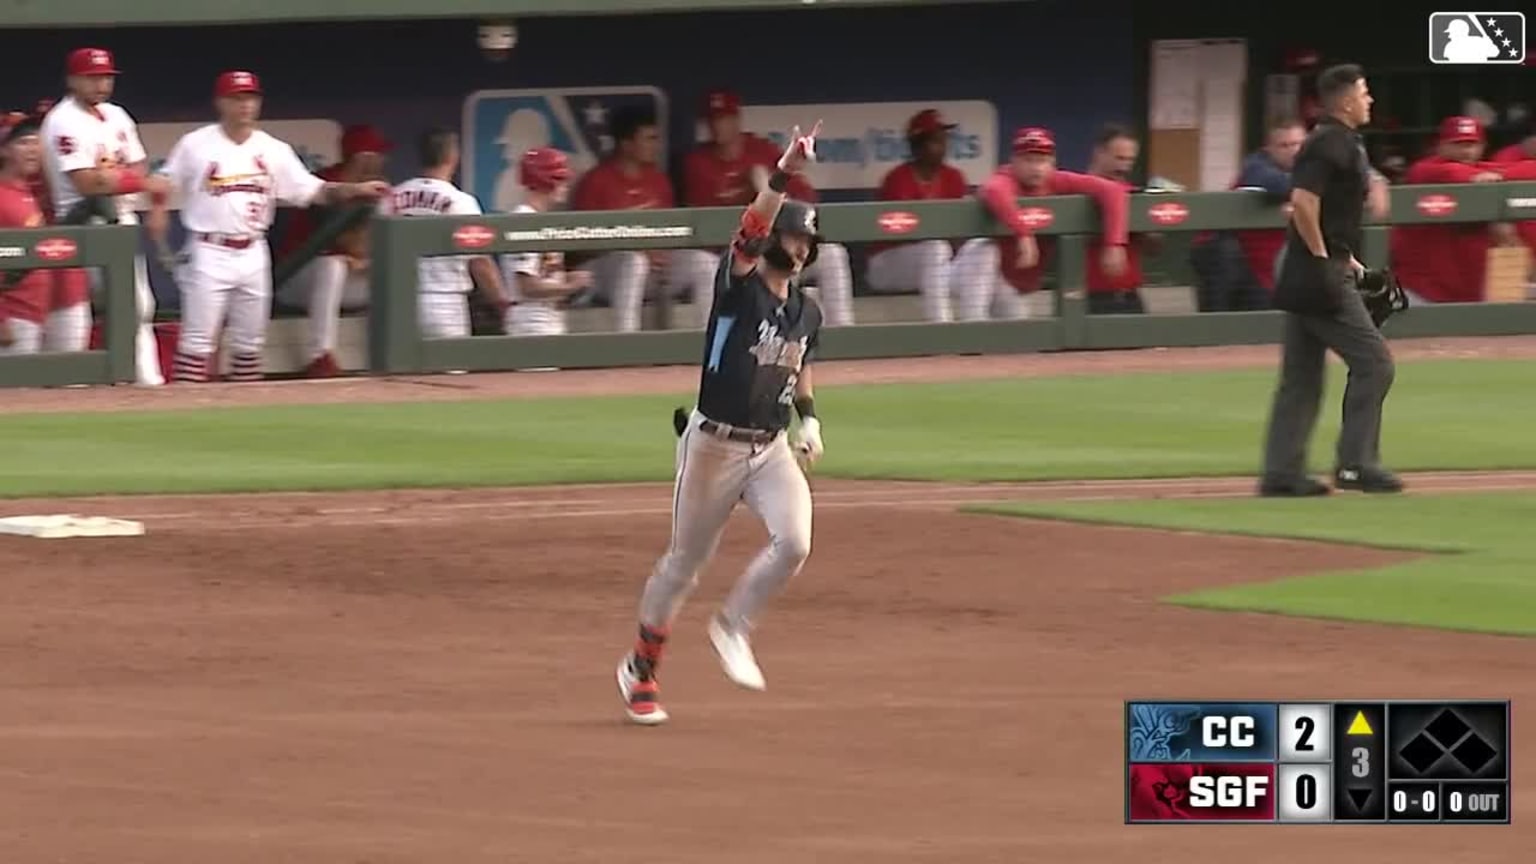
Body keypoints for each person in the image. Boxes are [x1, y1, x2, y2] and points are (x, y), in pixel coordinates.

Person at [616, 122, 826, 726]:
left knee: (796, 541)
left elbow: (801, 366)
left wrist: (808, 421)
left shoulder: (806, 310)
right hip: (712, 446)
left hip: (769, 450)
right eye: (793, 236)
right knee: (685, 563)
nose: (801, 247)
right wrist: (784, 169)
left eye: (808, 242)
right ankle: (641, 668)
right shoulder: (738, 287)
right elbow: (753, 223)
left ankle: (733, 625)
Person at [145, 71, 388, 383]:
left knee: (250, 346)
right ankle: (185, 412)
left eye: (250, 98)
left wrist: (355, 189)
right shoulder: (196, 144)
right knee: (197, 345)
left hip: (253, 250)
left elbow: (313, 190)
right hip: (209, 250)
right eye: (237, 98)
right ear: (221, 102)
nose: (245, 105)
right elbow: (164, 179)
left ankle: (244, 414)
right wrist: (158, 207)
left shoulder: (272, 149)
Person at [1260, 64, 1401, 496]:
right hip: (1317, 273)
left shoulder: (1340, 142)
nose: (1369, 100)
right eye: (1364, 92)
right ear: (1344, 101)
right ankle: (1356, 463)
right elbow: (1303, 202)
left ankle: (1282, 473)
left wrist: (1350, 261)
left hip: (1317, 267)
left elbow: (1329, 214)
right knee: (1375, 364)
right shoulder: (1328, 142)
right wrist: (1324, 258)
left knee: (1301, 376)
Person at [39, 47, 168, 385]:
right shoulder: (63, 119)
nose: (100, 84)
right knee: (86, 309)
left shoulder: (116, 115)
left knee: (138, 306)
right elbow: (87, 182)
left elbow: (137, 163)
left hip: (120, 220)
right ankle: (80, 386)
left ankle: (141, 381)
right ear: (72, 80)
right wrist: (133, 180)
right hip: (83, 224)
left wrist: (124, 178)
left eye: (106, 77)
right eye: (92, 77)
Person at [675, 90, 854, 328]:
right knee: (707, 266)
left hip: (778, 251)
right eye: (713, 120)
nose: (719, 126)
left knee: (833, 254)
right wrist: (750, 194)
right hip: (737, 257)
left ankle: (843, 332)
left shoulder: (762, 151)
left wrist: (767, 186)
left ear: (737, 119)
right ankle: (714, 341)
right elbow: (707, 222)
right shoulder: (697, 163)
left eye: (725, 118)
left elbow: (806, 200)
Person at [951, 127, 1129, 321]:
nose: (1036, 167)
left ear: (1052, 162)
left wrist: (1114, 243)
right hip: (962, 275)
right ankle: (972, 328)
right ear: (1014, 161)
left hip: (1008, 284)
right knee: (985, 250)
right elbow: (993, 191)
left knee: (1019, 339)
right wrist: (1024, 234)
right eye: (1028, 160)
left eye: (1042, 160)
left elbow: (1113, 191)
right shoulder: (1005, 177)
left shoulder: (1057, 181)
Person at [273, 124, 392, 377]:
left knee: (393, 276)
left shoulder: (379, 189)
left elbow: (375, 248)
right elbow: (351, 245)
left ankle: (390, 355)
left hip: (346, 283)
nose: (383, 160)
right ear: (362, 157)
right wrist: (362, 256)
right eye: (377, 154)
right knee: (333, 264)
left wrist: (368, 261)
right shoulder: (325, 187)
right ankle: (321, 356)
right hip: (295, 282)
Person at [385, 127, 511, 340]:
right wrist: (502, 304)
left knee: (403, 372)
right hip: (445, 301)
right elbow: (480, 264)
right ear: (453, 156)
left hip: (399, 303)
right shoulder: (461, 201)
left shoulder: (391, 197)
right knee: (449, 372)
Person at [568, 107, 674, 333]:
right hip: (603, 273)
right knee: (633, 262)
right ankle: (627, 342)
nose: (656, 145)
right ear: (626, 144)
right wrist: (636, 248)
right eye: (649, 138)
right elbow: (581, 246)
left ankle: (706, 347)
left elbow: (673, 230)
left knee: (703, 264)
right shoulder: (596, 181)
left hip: (652, 272)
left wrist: (661, 252)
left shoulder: (658, 181)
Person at [864, 109, 970, 321]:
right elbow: (901, 234)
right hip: (887, 264)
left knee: (971, 255)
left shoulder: (954, 178)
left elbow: (959, 231)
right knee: (936, 248)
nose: (943, 146)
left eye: (944, 139)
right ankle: (941, 328)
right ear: (917, 146)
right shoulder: (897, 179)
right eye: (935, 140)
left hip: (935, 265)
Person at [1389, 116, 1507, 305]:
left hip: (1468, 293)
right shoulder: (1424, 170)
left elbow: (1515, 171)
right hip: (1420, 291)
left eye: (1472, 144)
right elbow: (1449, 173)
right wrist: (1478, 177)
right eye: (1458, 144)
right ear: (1440, 145)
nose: (1466, 150)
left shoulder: (1490, 170)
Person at [502, 146, 591, 336]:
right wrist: (569, 286)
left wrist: (566, 280)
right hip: (531, 319)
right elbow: (527, 286)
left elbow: (542, 275)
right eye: (561, 179)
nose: (565, 185)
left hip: (548, 317)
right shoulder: (524, 220)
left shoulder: (541, 219)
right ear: (546, 180)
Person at [0, 114, 55, 356]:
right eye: (23, 143)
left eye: (36, 142)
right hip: (13, 314)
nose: (32, 150)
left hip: (35, 311)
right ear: (4, 151)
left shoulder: (29, 193)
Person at [1083, 123, 1150, 314]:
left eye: (1130, 160)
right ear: (1099, 153)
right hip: (1088, 299)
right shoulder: (1076, 189)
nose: (1124, 166)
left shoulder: (1133, 194)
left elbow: (1154, 248)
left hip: (1129, 296)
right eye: (1119, 158)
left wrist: (1149, 227)